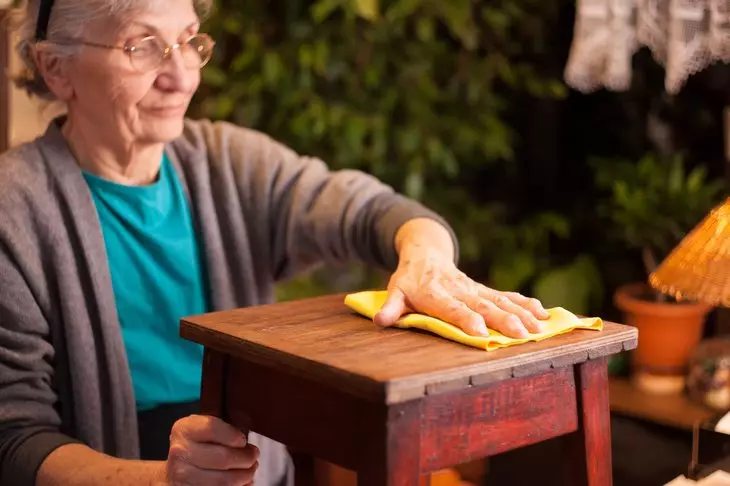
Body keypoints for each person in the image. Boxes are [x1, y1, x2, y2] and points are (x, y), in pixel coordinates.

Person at [0, 0, 550, 485]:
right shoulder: (13, 209)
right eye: (142, 46)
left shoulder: (228, 162)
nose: (182, 75)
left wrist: (428, 259)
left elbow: (371, 210)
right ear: (56, 67)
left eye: (190, 41)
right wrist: (162, 483)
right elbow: (15, 440)